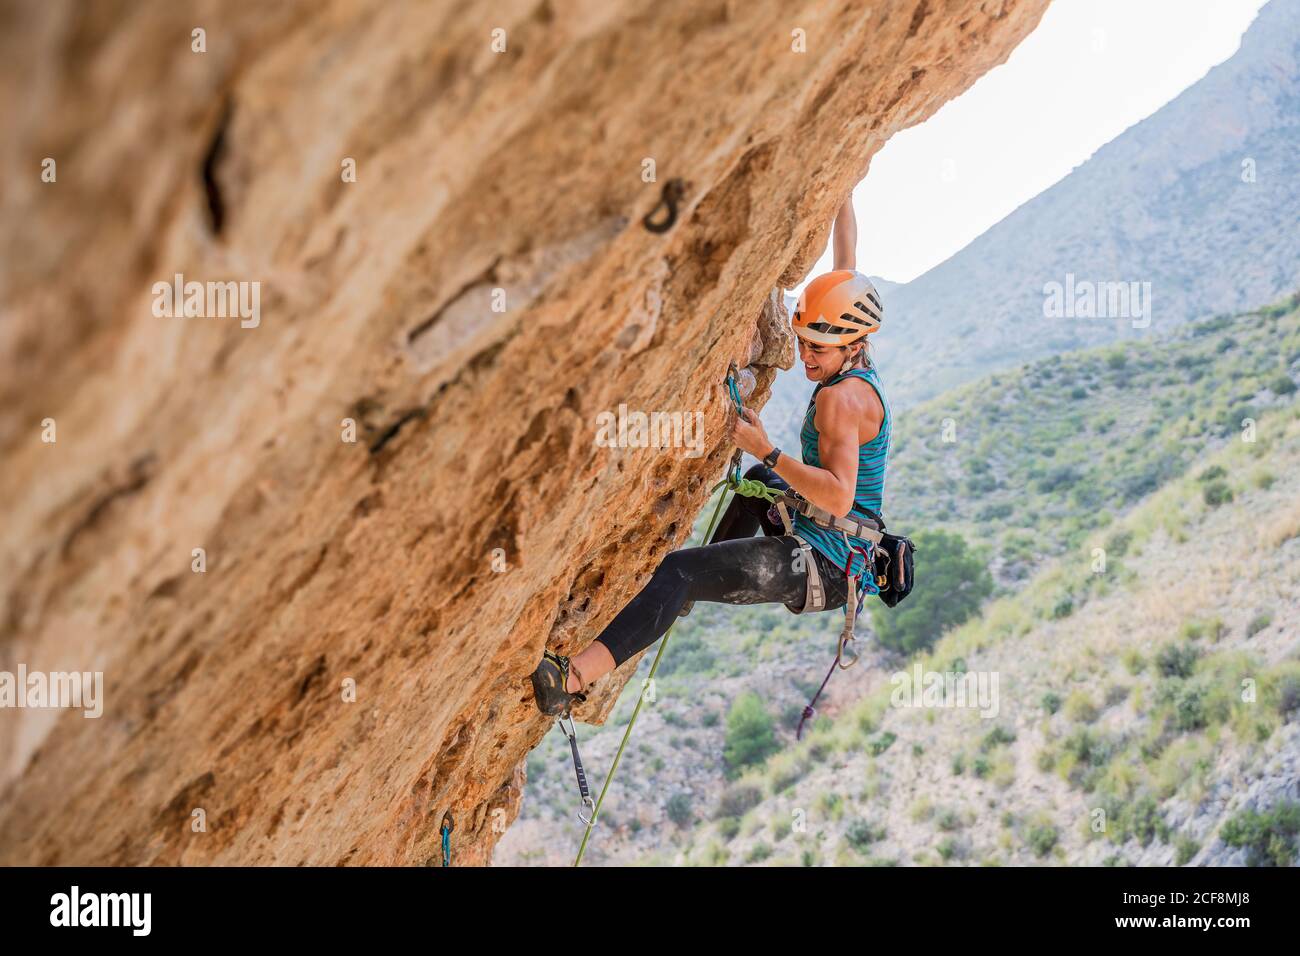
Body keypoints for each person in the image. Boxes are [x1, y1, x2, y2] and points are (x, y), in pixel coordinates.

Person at [531, 198, 891, 715]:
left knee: (678, 571)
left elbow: (838, 495)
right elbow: (846, 265)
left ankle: (569, 681)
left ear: (852, 345)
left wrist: (765, 445)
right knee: (760, 480)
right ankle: (686, 595)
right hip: (835, 544)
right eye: (803, 341)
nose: (805, 355)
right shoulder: (850, 341)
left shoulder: (842, 399)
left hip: (824, 563)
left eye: (816, 349)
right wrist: (846, 192)